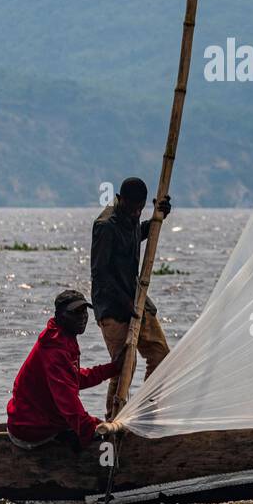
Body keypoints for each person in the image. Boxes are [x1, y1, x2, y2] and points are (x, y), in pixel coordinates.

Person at [91, 176, 171, 418]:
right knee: (124, 364)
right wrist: (124, 304)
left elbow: (138, 233)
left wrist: (159, 218)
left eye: (141, 208)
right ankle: (114, 419)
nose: (137, 212)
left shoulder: (133, 217)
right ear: (121, 199)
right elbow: (100, 273)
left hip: (137, 298)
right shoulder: (106, 225)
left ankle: (146, 412)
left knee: (160, 354)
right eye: (133, 207)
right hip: (112, 306)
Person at [6, 289, 117, 450]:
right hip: (30, 429)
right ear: (60, 316)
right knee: (92, 438)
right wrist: (92, 428)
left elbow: (74, 379)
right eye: (76, 312)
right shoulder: (54, 349)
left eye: (84, 311)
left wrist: (113, 369)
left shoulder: (64, 338)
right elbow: (67, 401)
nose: (83, 317)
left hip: (39, 420)